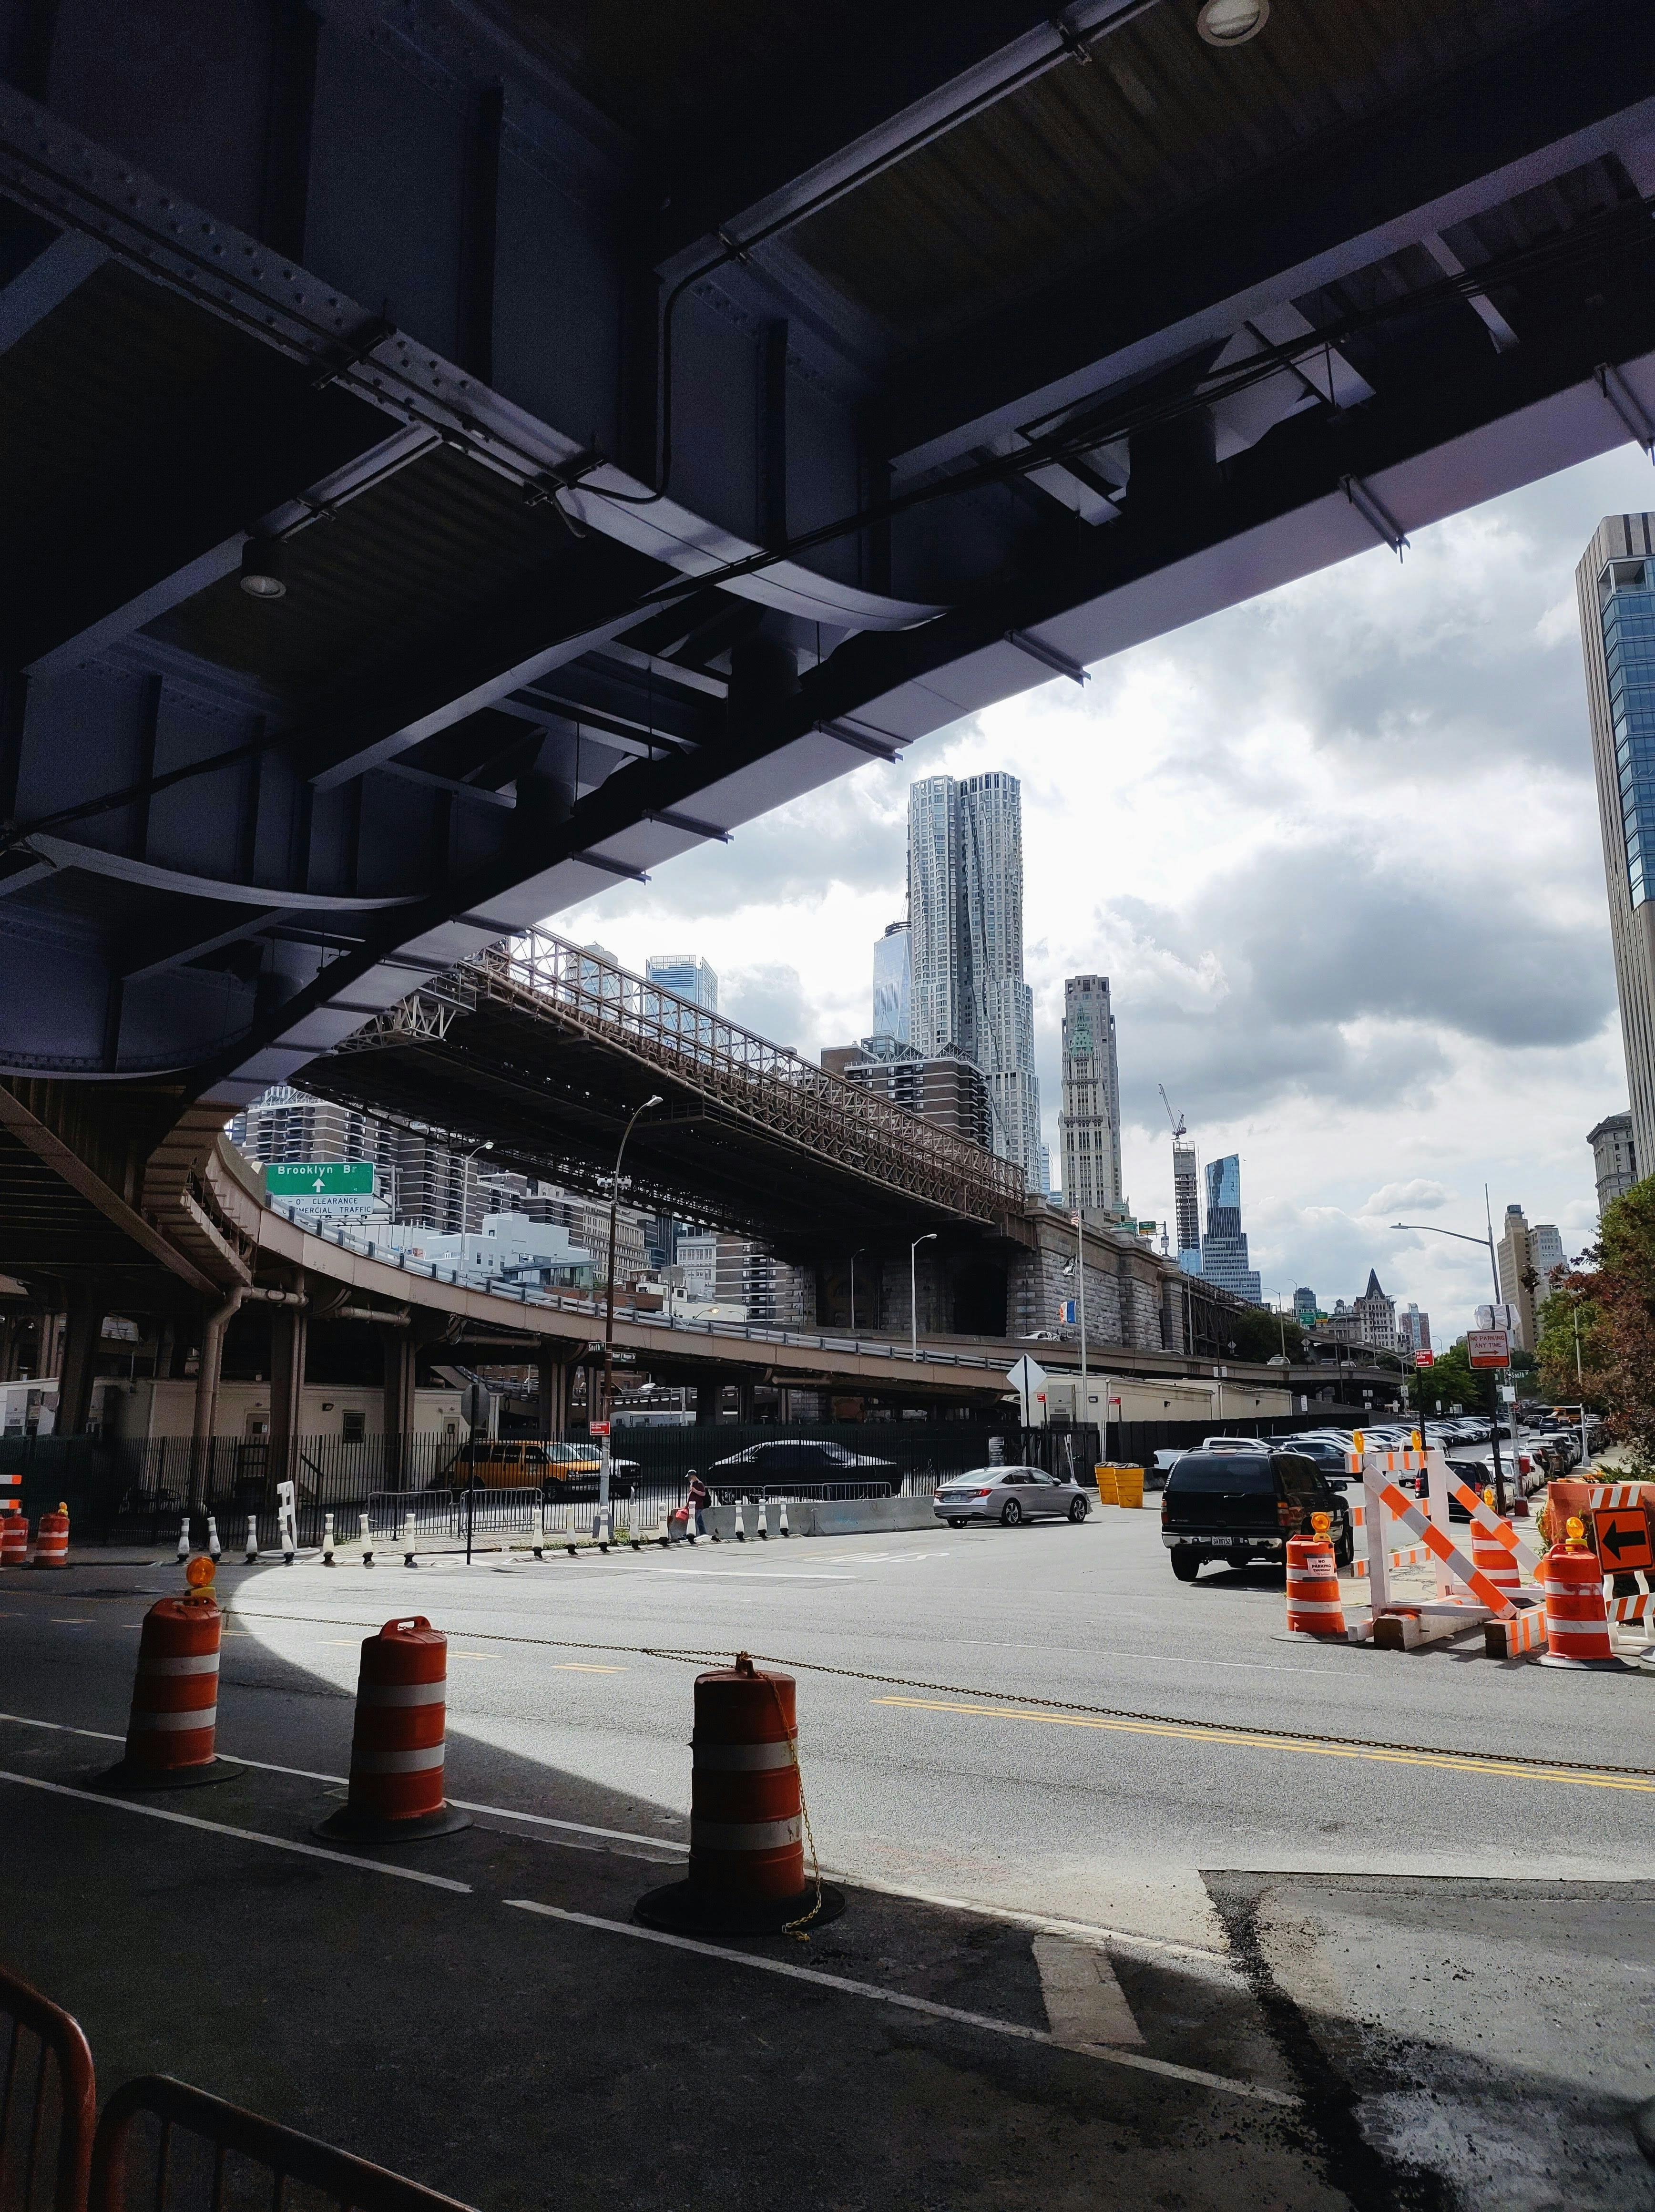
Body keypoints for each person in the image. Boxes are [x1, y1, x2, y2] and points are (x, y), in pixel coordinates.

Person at [685, 1471, 711, 1540]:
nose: (689, 1479)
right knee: (699, 1521)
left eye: (690, 1477)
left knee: (693, 1520)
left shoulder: (700, 1484)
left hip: (698, 1506)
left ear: (693, 1476)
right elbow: (690, 1495)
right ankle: (704, 1533)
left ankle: (689, 1534)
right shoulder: (692, 1484)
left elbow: (703, 1494)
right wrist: (688, 1504)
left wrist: (695, 1491)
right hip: (693, 1506)